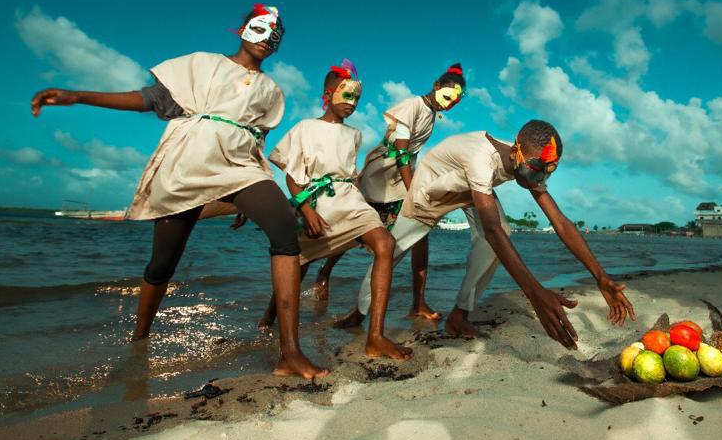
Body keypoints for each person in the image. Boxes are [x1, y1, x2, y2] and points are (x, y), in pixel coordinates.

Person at [30, 4, 328, 379]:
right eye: (262, 29)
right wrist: (79, 96)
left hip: (242, 166)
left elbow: (257, 138)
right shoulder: (203, 64)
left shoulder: (271, 90)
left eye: (276, 35)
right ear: (242, 29)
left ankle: (290, 353)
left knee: (285, 227)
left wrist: (253, 190)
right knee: (162, 263)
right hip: (188, 162)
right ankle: (139, 341)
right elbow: (149, 100)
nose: (268, 39)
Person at [336, 120, 636, 349]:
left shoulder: (527, 164)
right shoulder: (483, 158)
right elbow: (491, 230)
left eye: (547, 172)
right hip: (432, 188)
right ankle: (359, 313)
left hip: (473, 190)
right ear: (517, 152)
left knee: (502, 231)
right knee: (394, 248)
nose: (539, 178)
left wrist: (600, 275)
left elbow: (559, 221)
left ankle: (459, 316)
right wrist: (536, 294)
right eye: (535, 169)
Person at [256, 61, 413, 360]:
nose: (352, 104)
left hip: (351, 199)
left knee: (385, 243)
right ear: (328, 95)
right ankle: (268, 319)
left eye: (357, 98)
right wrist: (306, 209)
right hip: (316, 200)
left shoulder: (354, 135)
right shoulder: (306, 127)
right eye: (347, 96)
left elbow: (350, 174)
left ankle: (376, 337)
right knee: (297, 266)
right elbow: (291, 174)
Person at [310, 64, 467, 318]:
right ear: (437, 86)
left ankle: (418, 303)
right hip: (381, 176)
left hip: (403, 177)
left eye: (456, 101)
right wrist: (413, 191)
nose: (451, 104)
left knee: (420, 234)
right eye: (449, 96)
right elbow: (402, 153)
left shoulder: (430, 113)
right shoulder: (412, 105)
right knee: (355, 230)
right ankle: (325, 271)